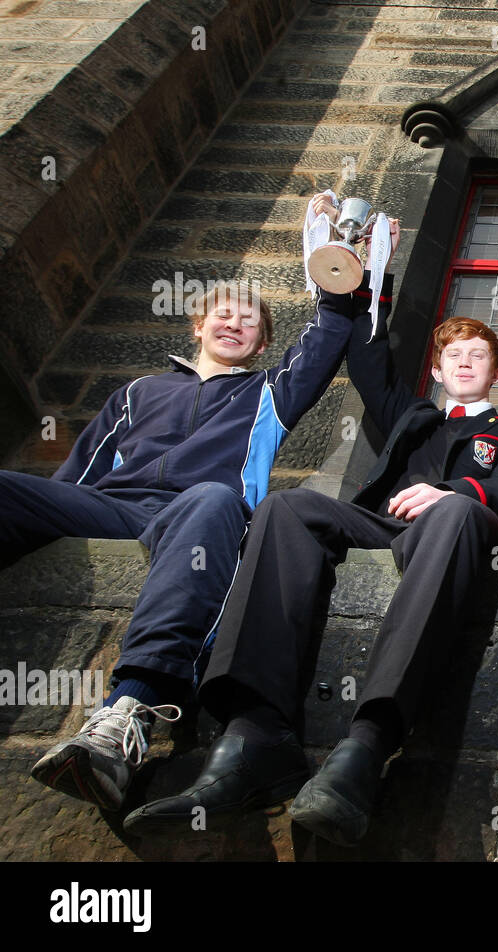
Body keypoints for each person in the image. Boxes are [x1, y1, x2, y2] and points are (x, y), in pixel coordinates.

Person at [11, 193, 385, 812]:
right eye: (223, 316)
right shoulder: (138, 390)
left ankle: (127, 713)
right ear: (198, 326)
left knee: (213, 497)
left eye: (249, 322)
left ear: (263, 343)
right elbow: (79, 474)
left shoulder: (270, 394)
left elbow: (325, 342)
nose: (234, 324)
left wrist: (338, 272)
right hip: (112, 508)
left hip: (197, 515)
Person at [123, 310, 498, 844]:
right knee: (286, 507)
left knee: (455, 515)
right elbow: (369, 362)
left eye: (477, 355)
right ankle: (254, 734)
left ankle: (368, 744)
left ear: (496, 373)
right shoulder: (411, 415)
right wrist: (365, 283)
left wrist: (456, 492)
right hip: (381, 521)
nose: (464, 362)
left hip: (455, 524)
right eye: (453, 355)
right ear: (436, 371)